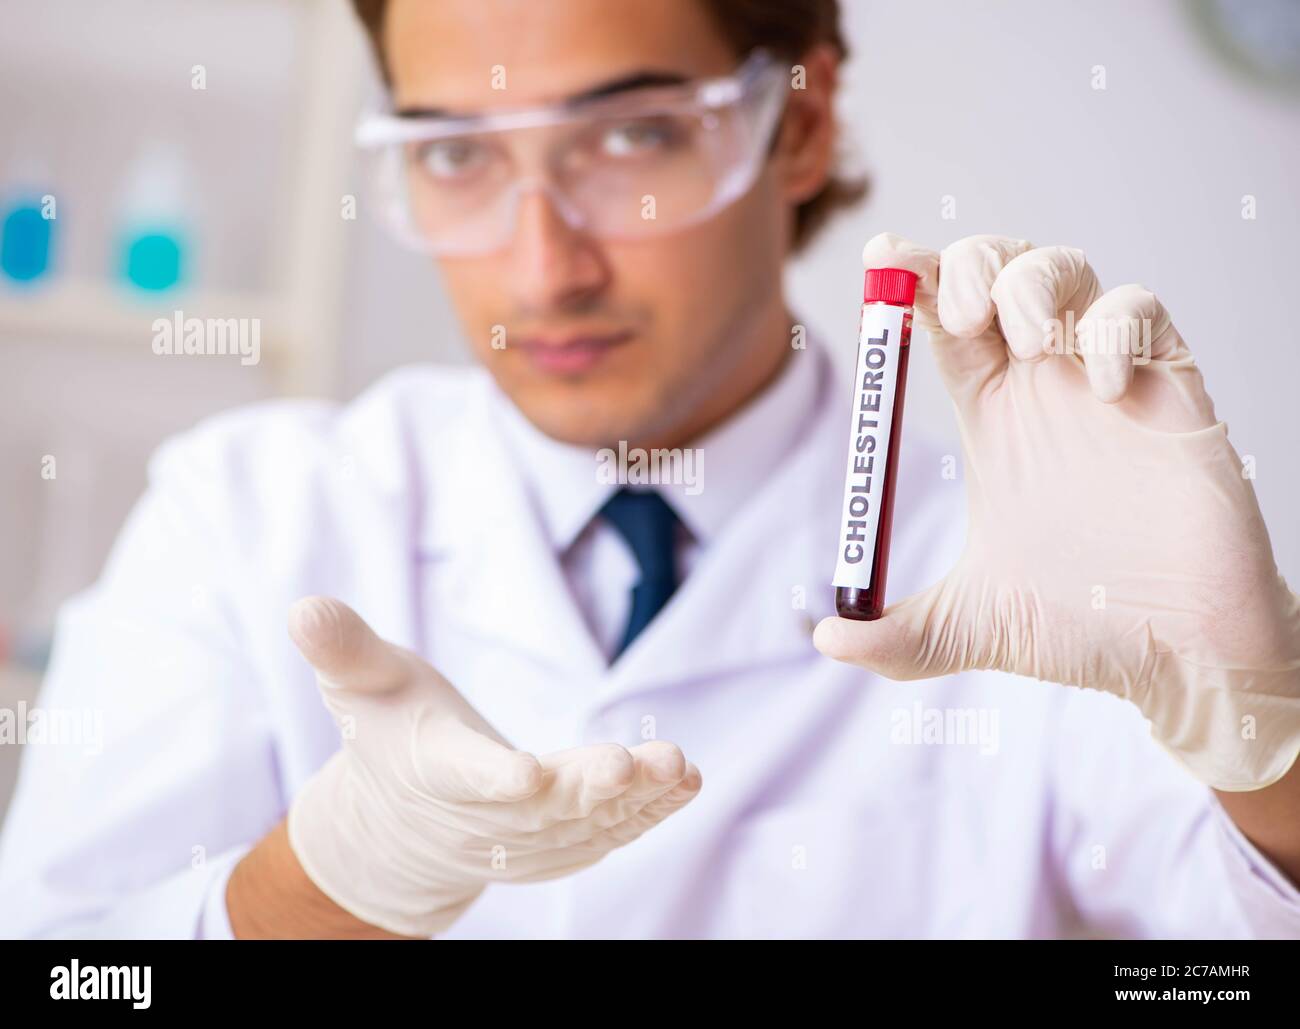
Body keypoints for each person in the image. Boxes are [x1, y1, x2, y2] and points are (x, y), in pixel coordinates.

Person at [1, 0, 1298, 939]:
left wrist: (1271, 743)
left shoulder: (1041, 575)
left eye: (629, 138)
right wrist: (327, 887)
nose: (541, 267)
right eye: (455, 153)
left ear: (801, 120)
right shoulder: (249, 512)